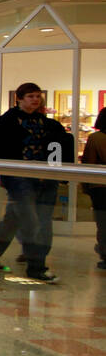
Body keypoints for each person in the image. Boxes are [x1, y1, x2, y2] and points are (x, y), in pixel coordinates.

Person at [0, 83, 72, 282]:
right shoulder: (8, 121)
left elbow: (60, 146)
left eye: (38, 96)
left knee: (15, 220)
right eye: (30, 96)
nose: (35, 100)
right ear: (19, 99)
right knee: (32, 221)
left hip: (45, 178)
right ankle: (36, 267)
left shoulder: (47, 123)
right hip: (19, 177)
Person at [82, 107, 106, 271]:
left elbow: (88, 163)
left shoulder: (95, 138)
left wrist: (86, 187)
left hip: (100, 187)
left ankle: (105, 254)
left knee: (103, 223)